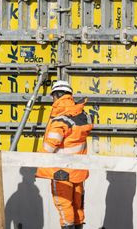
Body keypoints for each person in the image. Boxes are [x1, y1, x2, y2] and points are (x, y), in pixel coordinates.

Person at [36, 80, 93, 229]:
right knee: (77, 206)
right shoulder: (80, 114)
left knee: (64, 206)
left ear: (56, 95)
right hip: (78, 170)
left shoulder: (61, 119)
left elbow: (50, 146)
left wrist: (38, 161)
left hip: (61, 172)